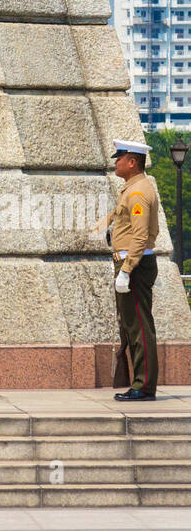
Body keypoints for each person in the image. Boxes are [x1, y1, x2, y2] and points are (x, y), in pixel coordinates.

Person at [106, 139, 161, 401]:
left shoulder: (138, 192)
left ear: (132, 162)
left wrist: (126, 270)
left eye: (120, 158)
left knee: (139, 326)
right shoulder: (132, 189)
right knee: (132, 325)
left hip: (135, 265)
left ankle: (144, 385)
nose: (115, 161)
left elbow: (140, 237)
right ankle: (141, 382)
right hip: (131, 262)